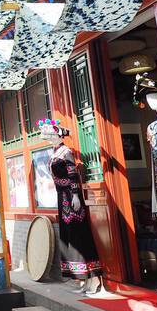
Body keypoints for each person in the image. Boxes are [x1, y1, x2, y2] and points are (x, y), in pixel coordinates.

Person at [39, 118, 106, 296]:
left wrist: (76, 194)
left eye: (52, 134)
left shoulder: (66, 152)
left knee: (80, 236)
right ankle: (83, 279)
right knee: (69, 238)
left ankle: (94, 278)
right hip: (62, 198)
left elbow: (73, 174)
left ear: (58, 135)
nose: (49, 137)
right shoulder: (54, 153)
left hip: (71, 196)